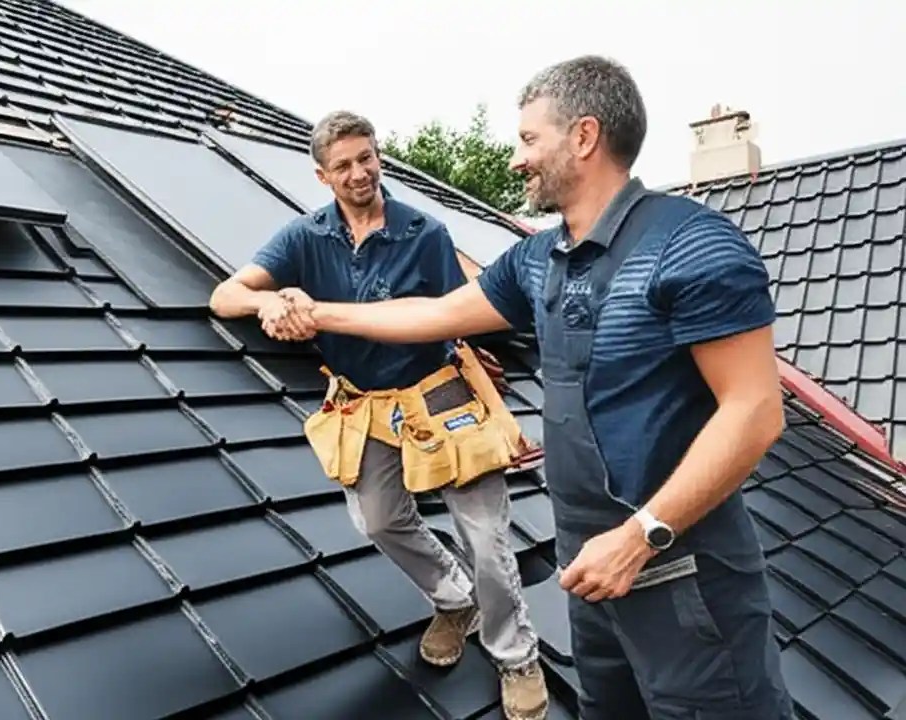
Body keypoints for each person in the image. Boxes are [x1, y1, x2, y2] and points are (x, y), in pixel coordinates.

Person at [266, 58, 795, 719]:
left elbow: (755, 410)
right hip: (590, 574)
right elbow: (431, 315)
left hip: (681, 577)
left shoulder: (690, 246)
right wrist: (315, 312)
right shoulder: (539, 257)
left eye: (528, 140)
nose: (516, 161)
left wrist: (640, 536)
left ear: (583, 137)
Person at [209, 110, 550, 720]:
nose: (359, 172)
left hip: (440, 391)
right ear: (322, 175)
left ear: (378, 157)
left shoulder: (425, 231)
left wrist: (479, 360)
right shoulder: (303, 238)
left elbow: (459, 312)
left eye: (366, 158)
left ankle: (515, 654)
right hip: (365, 403)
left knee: (486, 535)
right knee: (377, 519)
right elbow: (224, 295)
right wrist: (271, 301)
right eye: (343, 165)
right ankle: (454, 600)